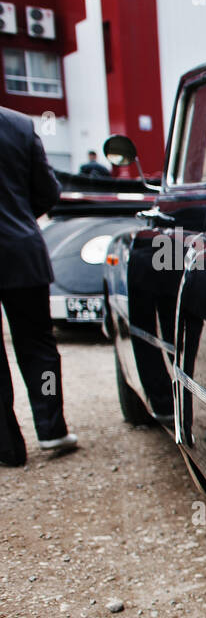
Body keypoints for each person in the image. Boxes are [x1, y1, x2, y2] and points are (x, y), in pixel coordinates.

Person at [0, 106, 77, 465]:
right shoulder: (18, 124)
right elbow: (47, 191)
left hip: (19, 249)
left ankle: (7, 446)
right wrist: (16, 216)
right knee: (38, 345)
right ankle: (51, 430)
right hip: (21, 252)